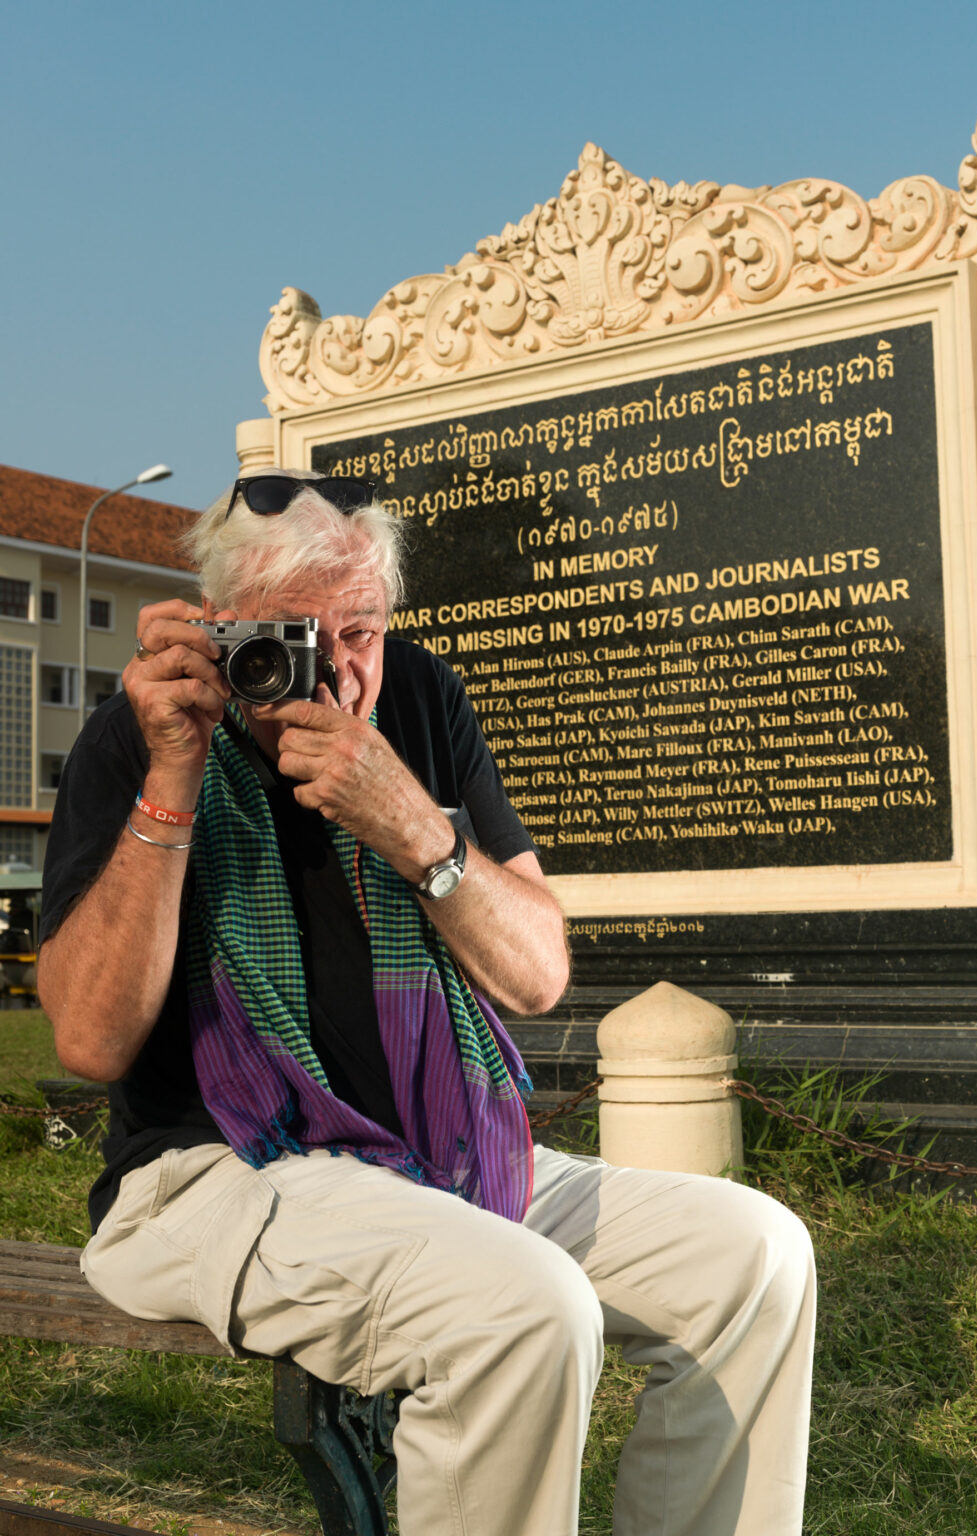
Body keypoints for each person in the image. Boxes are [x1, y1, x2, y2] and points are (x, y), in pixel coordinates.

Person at [38, 469, 816, 1536]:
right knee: (519, 1306)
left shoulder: (418, 697)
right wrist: (170, 776)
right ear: (221, 625)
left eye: (361, 630)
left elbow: (537, 975)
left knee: (753, 1251)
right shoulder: (146, 728)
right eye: (291, 637)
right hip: (212, 1169)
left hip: (439, 1152)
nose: (338, 673)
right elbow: (87, 1039)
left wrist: (415, 828)